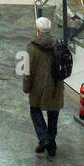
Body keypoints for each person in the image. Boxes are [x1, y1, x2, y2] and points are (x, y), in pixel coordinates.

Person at [23, 15, 64, 157]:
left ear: (37, 30)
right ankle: (51, 143)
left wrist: (26, 87)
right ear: (50, 29)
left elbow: (27, 71)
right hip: (55, 86)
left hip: (38, 87)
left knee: (35, 110)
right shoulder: (58, 44)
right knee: (53, 115)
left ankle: (43, 139)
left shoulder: (31, 47)